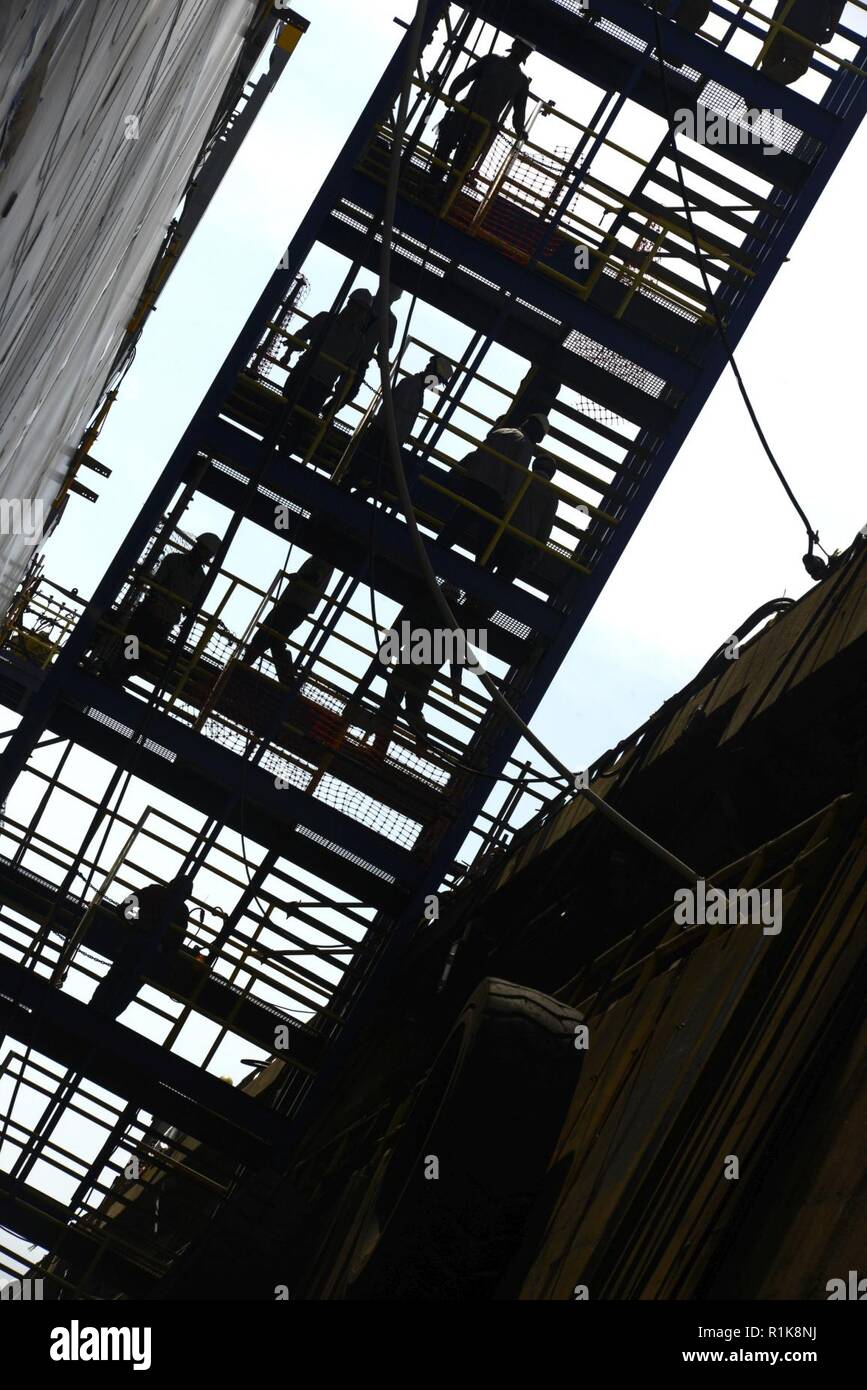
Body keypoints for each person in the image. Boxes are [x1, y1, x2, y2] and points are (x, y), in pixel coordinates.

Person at [109, 532, 221, 680]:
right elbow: (156, 585)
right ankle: (114, 675)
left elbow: (191, 605)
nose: (202, 554)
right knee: (130, 649)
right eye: (202, 549)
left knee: (145, 657)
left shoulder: (201, 579)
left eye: (206, 553)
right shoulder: (174, 560)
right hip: (149, 614)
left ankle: (120, 676)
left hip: (165, 622)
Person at [437, 414, 548, 560]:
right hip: (492, 493)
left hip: (474, 483)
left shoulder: (500, 432)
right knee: (488, 538)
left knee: (458, 521)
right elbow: (516, 476)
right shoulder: (525, 445)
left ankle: (439, 547)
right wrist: (508, 502)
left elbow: (477, 455)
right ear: (538, 434)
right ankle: (480, 569)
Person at [341, 353, 452, 495]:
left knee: (367, 475)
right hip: (382, 437)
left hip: (387, 438)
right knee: (364, 474)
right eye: (438, 380)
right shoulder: (411, 386)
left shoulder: (416, 389)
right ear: (431, 372)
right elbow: (395, 415)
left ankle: (352, 495)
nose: (436, 384)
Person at [90, 873, 195, 1020]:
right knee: (128, 990)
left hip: (133, 945)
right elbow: (175, 944)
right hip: (150, 958)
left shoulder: (154, 892)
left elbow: (124, 909)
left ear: (171, 883)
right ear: (187, 894)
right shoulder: (181, 911)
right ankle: (107, 1017)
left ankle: (93, 1009)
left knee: (113, 979)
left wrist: (137, 923)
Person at [431, 37, 532, 188]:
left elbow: (519, 110)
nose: (524, 52)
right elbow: (468, 75)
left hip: (483, 127)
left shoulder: (522, 81)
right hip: (464, 112)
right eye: (522, 47)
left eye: (527, 51)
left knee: (463, 163)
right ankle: (431, 183)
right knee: (444, 147)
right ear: (514, 45)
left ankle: (445, 193)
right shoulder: (492, 60)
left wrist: (520, 130)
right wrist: (452, 93)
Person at [374, 586, 467, 744]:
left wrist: (385, 655)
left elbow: (403, 628)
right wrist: (455, 682)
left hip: (409, 663)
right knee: (413, 709)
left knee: (391, 702)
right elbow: (457, 652)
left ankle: (380, 745)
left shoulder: (428, 604)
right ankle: (422, 744)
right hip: (426, 672)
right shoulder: (455, 617)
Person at [281, 287, 374, 427]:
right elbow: (302, 335)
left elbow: (350, 370)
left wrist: (339, 396)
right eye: (359, 308)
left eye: (363, 311)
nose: (359, 313)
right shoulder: (325, 319)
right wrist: (287, 354)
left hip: (321, 386)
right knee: (283, 413)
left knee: (301, 425)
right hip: (303, 374)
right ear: (349, 304)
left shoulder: (359, 340)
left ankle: (285, 446)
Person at [241, 557, 332, 685]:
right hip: (295, 605)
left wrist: (299, 578)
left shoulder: (324, 560)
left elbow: (315, 578)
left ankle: (244, 666)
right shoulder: (321, 559)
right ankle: (286, 681)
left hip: (295, 605)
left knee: (267, 635)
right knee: (274, 639)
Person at [485, 452, 559, 587]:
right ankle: (480, 607)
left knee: (482, 570)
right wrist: (537, 553)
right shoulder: (552, 494)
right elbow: (545, 527)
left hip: (499, 530)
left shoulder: (519, 475)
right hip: (522, 542)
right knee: (501, 584)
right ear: (552, 473)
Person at [761, 1, 845, 85]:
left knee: (770, 60)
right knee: (796, 66)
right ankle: (759, 83)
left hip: (783, 15)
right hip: (808, 24)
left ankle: (758, 83)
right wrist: (831, 30)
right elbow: (837, 5)